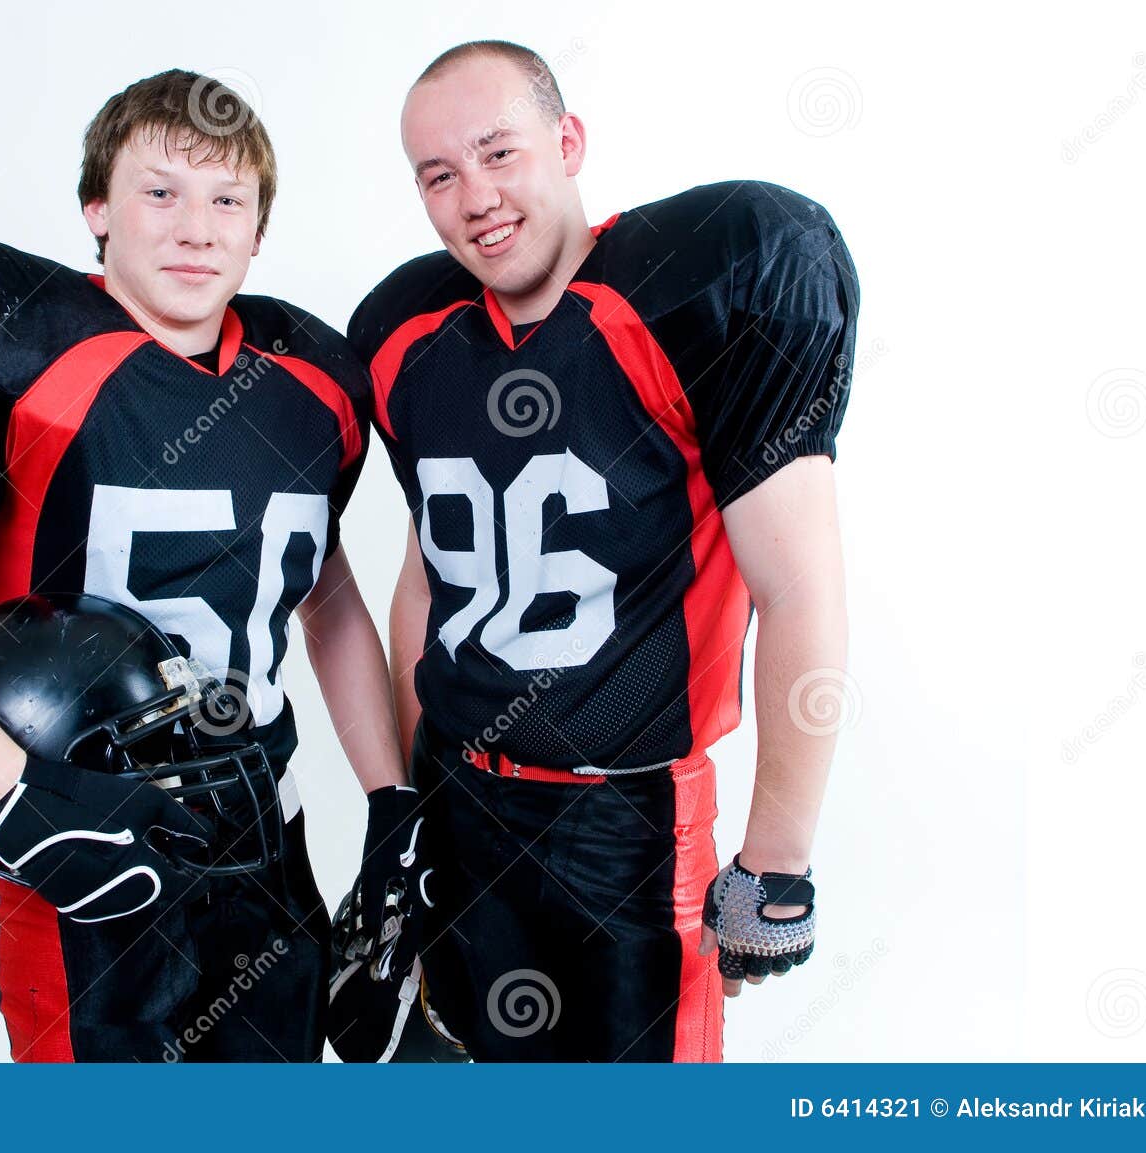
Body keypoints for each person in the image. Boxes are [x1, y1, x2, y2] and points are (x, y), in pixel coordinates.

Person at [0, 69, 423, 1062]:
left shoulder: (310, 379)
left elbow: (325, 603)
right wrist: (21, 808)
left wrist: (388, 800)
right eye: (160, 192)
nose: (195, 229)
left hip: (268, 847)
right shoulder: (23, 356)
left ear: (259, 229)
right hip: (91, 855)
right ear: (97, 210)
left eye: (227, 200)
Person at [349, 40, 859, 1061]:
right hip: (460, 798)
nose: (475, 198)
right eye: (439, 175)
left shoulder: (694, 286)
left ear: (568, 141)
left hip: (630, 821)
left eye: (498, 153)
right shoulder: (407, 331)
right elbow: (425, 582)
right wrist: (406, 799)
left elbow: (799, 589)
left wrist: (776, 862)